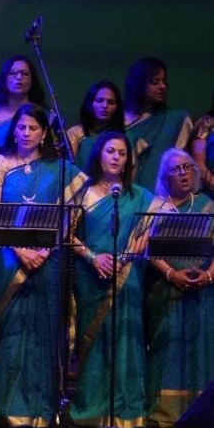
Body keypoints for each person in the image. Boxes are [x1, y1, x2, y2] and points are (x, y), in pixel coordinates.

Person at [0, 103, 83, 427]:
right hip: (7, 259)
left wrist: (44, 247)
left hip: (49, 259)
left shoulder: (60, 167)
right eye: (21, 127)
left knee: (43, 332)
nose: (25, 133)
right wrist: (21, 249)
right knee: (11, 333)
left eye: (33, 128)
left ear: (44, 134)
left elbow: (72, 214)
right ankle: (5, 408)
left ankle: (42, 408)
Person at [68, 131, 150, 426]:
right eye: (111, 151)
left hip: (127, 278)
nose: (117, 157)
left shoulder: (139, 196)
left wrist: (124, 257)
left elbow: (149, 230)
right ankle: (92, 409)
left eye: (122, 153)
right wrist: (93, 257)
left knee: (126, 341)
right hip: (91, 278)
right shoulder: (82, 192)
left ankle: (126, 412)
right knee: (94, 342)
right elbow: (67, 234)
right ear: (99, 155)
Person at [146, 149, 214, 425]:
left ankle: (202, 413)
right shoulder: (156, 207)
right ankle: (167, 415)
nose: (184, 172)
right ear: (165, 176)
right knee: (167, 350)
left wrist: (208, 276)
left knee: (201, 349)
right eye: (176, 169)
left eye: (188, 167)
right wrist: (173, 274)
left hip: (205, 293)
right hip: (165, 292)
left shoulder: (208, 205)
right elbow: (147, 251)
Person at [124, 58, 193, 190]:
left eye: (164, 81)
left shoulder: (176, 119)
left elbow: (177, 161)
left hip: (162, 198)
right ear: (139, 85)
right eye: (155, 82)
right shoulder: (120, 120)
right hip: (126, 195)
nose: (162, 86)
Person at [0, 56, 45, 146]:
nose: (19, 77)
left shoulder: (42, 113)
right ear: (4, 78)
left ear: (32, 79)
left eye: (25, 74)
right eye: (13, 73)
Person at [65, 81, 128, 173]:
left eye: (111, 102)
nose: (105, 106)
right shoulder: (76, 133)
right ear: (90, 103)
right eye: (100, 100)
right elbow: (70, 169)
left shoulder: (124, 135)